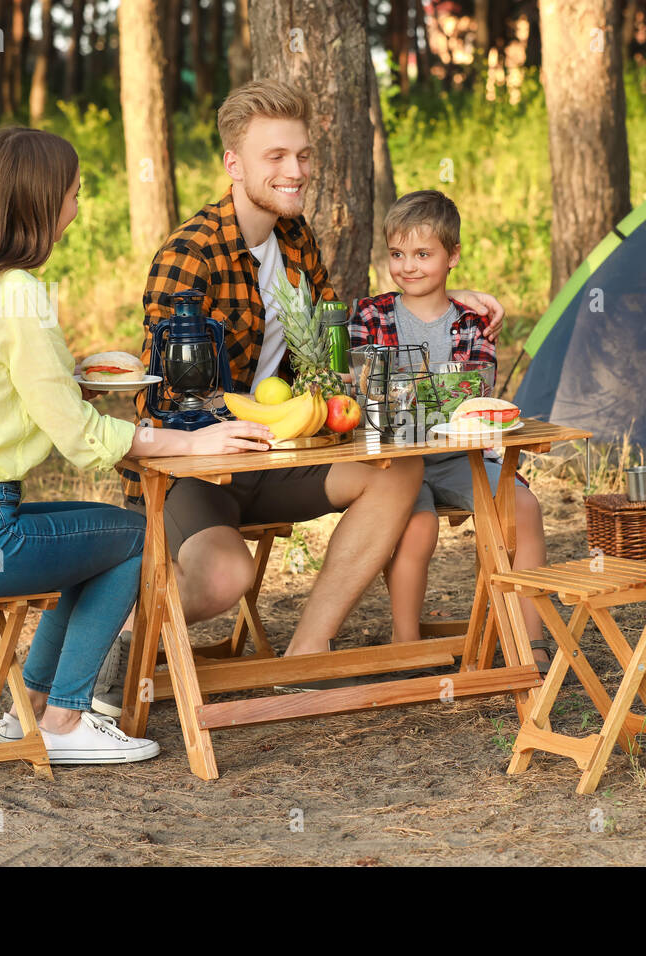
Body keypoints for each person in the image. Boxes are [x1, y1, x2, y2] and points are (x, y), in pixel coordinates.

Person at [95, 80, 507, 706]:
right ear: (233, 164)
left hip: (282, 453)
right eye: (276, 157)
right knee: (225, 576)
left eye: (303, 155)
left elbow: (341, 327)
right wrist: (214, 434)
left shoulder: (295, 238)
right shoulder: (190, 253)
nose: (296, 171)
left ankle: (305, 654)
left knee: (399, 470)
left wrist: (445, 299)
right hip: (201, 469)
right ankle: (109, 631)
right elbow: (160, 397)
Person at [0, 127, 273, 764]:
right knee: (130, 538)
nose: (78, 208)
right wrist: (188, 444)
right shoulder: (20, 295)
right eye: (73, 194)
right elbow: (84, 442)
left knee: (88, 542)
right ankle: (66, 719)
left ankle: (29, 711)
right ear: (40, 203)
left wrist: (75, 390)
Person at [350, 190, 551, 667]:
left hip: (461, 454)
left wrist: (406, 389)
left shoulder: (471, 322)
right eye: (397, 255)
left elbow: (473, 396)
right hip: (394, 458)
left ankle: (531, 640)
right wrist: (430, 392)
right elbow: (362, 393)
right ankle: (407, 645)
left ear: (452, 256)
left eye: (423, 254)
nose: (409, 267)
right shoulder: (372, 314)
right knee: (417, 526)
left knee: (524, 508)